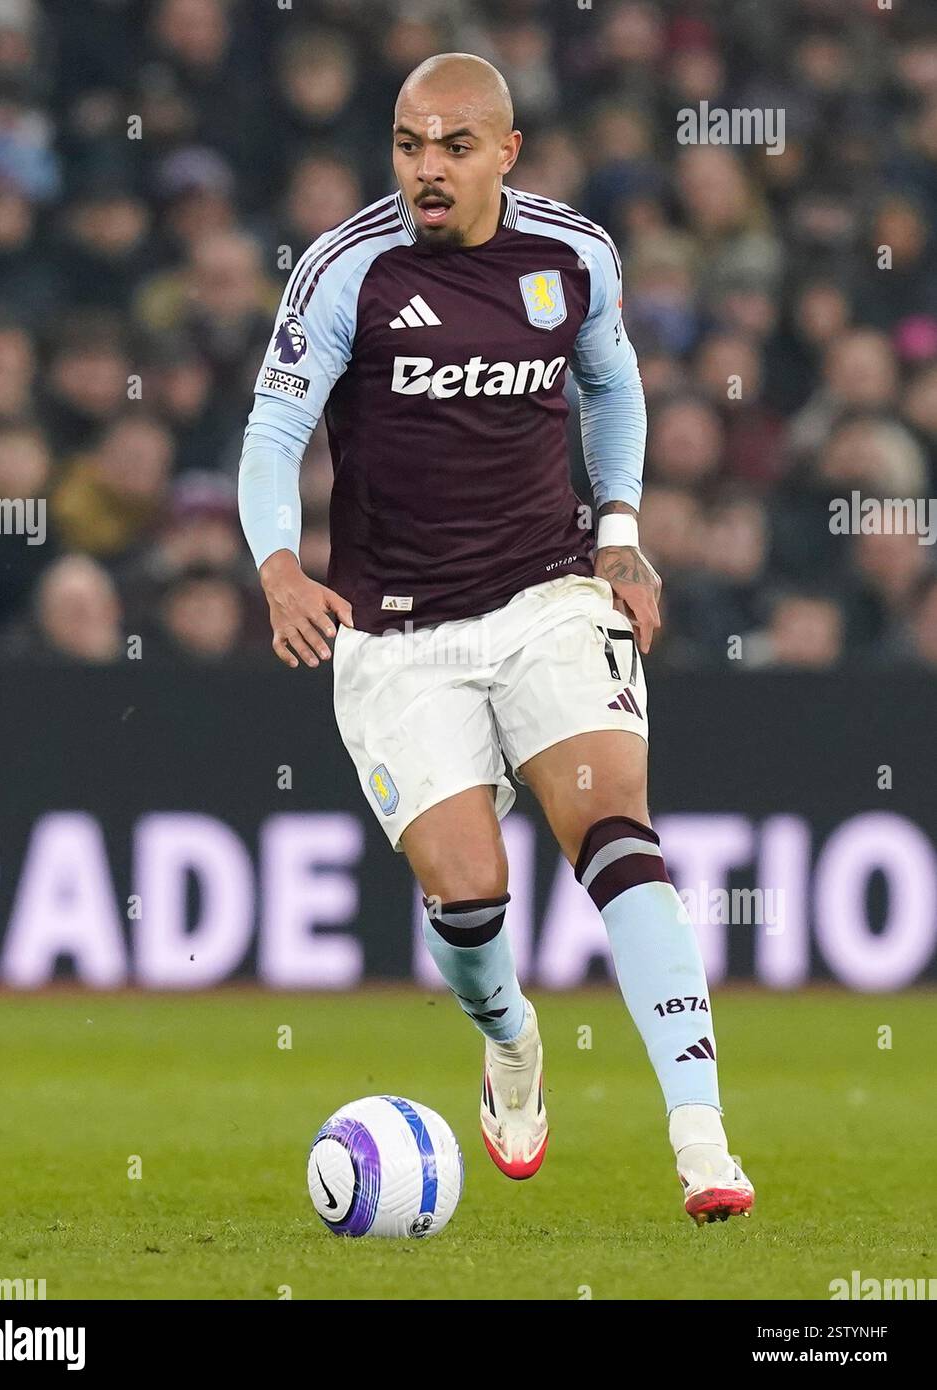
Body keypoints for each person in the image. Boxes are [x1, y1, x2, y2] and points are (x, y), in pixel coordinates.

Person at [238, 53, 754, 1224]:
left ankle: (701, 1136)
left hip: (544, 598)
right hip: (396, 633)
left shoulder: (572, 256)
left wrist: (619, 531)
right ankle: (509, 1038)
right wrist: (279, 568)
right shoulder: (345, 269)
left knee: (617, 830)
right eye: (409, 144)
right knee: (469, 895)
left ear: (505, 154)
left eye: (453, 147)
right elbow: (274, 433)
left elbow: (610, 385)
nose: (427, 169)